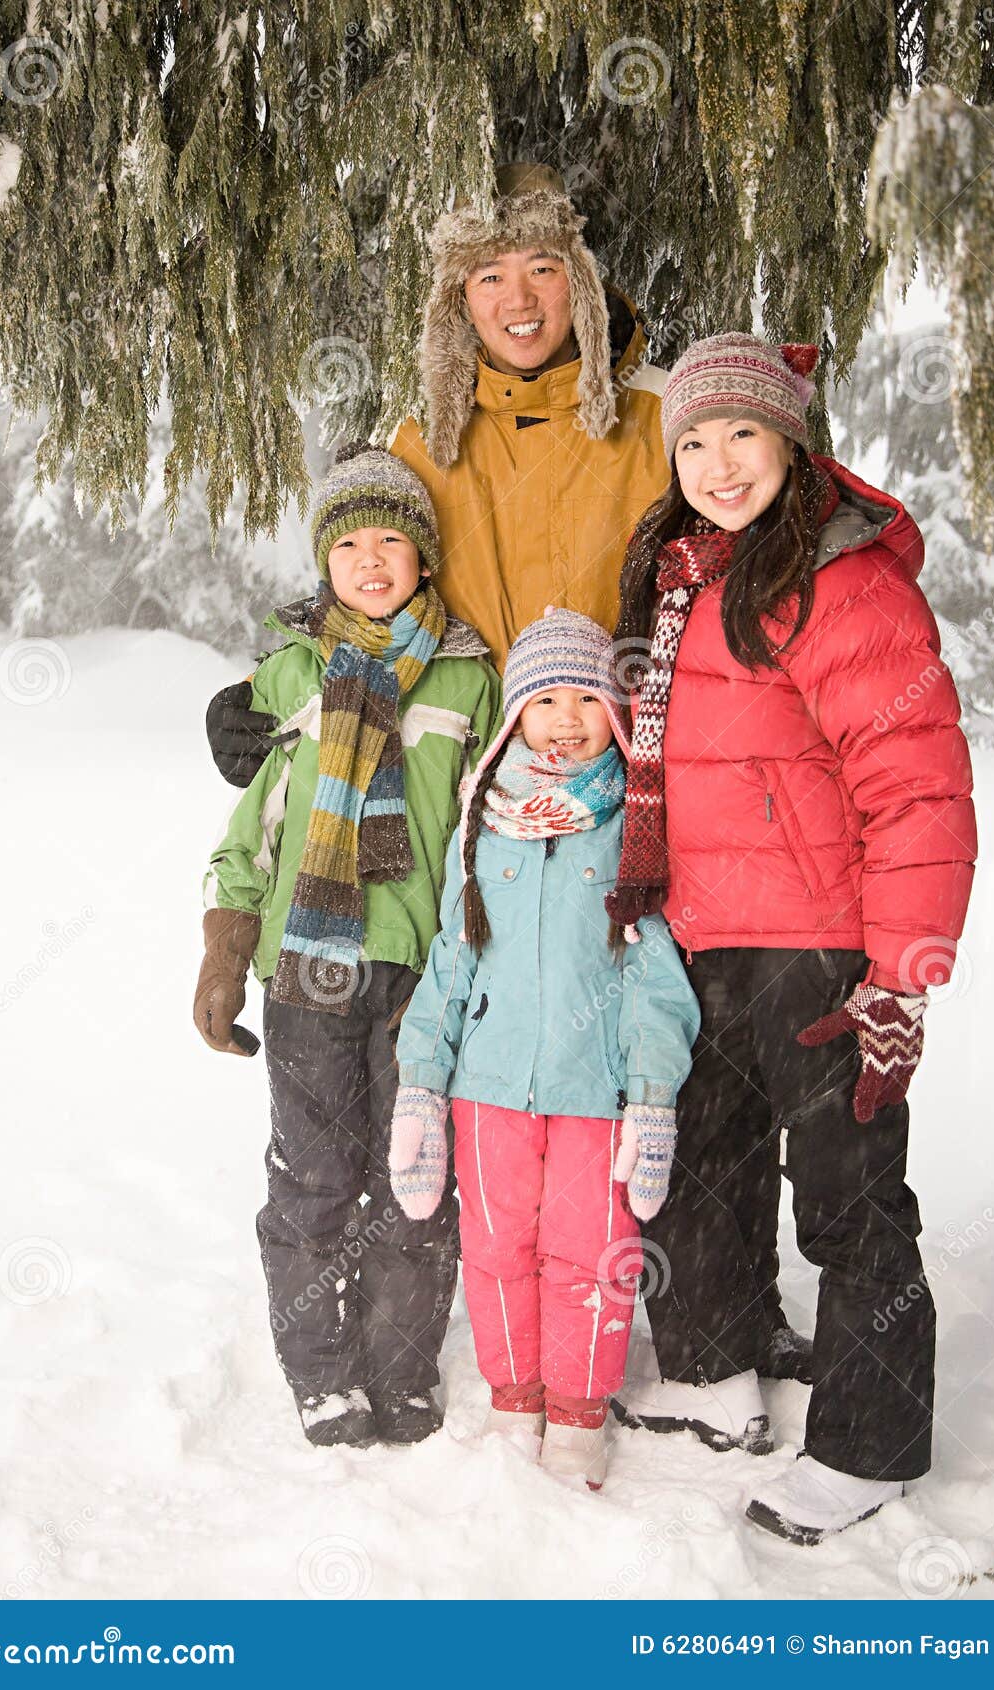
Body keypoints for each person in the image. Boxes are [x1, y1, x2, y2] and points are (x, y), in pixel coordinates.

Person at [204, 165, 810, 1383]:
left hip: (639, 766)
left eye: (539, 268)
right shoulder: (426, 441)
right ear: (456, 305)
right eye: (487, 277)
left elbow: (737, 538)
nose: (517, 299)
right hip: (483, 783)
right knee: (493, 1031)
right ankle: (505, 1290)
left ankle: (714, 1320)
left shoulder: (647, 422)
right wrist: (255, 686)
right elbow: (370, 578)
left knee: (667, 1034)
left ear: (575, 280)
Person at [605, 333, 976, 1541]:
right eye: (695, 440)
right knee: (698, 1172)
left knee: (846, 1200)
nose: (717, 462)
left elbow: (915, 785)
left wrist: (900, 970)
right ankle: (714, 1365)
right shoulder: (675, 578)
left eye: (742, 435)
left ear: (790, 442)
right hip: (692, 937)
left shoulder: (839, 578)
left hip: (819, 944)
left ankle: (867, 1445)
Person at [193, 447, 503, 1449]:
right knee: (317, 1180)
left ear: (422, 553)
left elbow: (479, 833)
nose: (372, 561)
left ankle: (401, 1365)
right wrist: (224, 944)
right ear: (324, 559)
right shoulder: (289, 672)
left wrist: (471, 959)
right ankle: (321, 1372)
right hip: (306, 965)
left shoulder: (467, 675)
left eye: (392, 540)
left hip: (419, 972)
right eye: (349, 543)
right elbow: (258, 822)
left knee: (413, 1181)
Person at [386, 610, 700, 1490]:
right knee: (493, 1250)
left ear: (614, 708)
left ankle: (576, 1416)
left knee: (589, 1256)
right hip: (485, 1087)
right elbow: (451, 954)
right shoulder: (479, 825)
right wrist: (421, 1083)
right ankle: (514, 1398)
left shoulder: (631, 826)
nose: (566, 719)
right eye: (544, 699)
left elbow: (654, 977)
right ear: (515, 713)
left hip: (593, 1092)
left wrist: (650, 1093)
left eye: (585, 700)